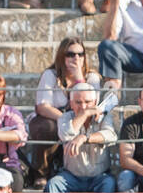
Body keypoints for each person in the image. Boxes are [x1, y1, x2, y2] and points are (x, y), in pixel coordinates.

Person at [47, 83, 118, 193]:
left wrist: (85, 138)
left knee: (109, 183)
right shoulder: (65, 118)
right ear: (71, 104)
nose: (83, 106)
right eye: (78, 102)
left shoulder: (104, 117)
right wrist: (85, 114)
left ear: (95, 102)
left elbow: (111, 135)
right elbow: (66, 134)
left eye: (87, 102)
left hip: (98, 176)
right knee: (54, 184)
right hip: (71, 176)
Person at [33, 37, 109, 185]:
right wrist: (65, 119)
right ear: (62, 56)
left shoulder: (92, 77)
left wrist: (79, 78)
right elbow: (43, 106)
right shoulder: (51, 75)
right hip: (55, 118)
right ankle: (41, 172)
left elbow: (94, 104)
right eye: (70, 54)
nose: (76, 58)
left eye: (80, 54)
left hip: (85, 120)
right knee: (46, 127)